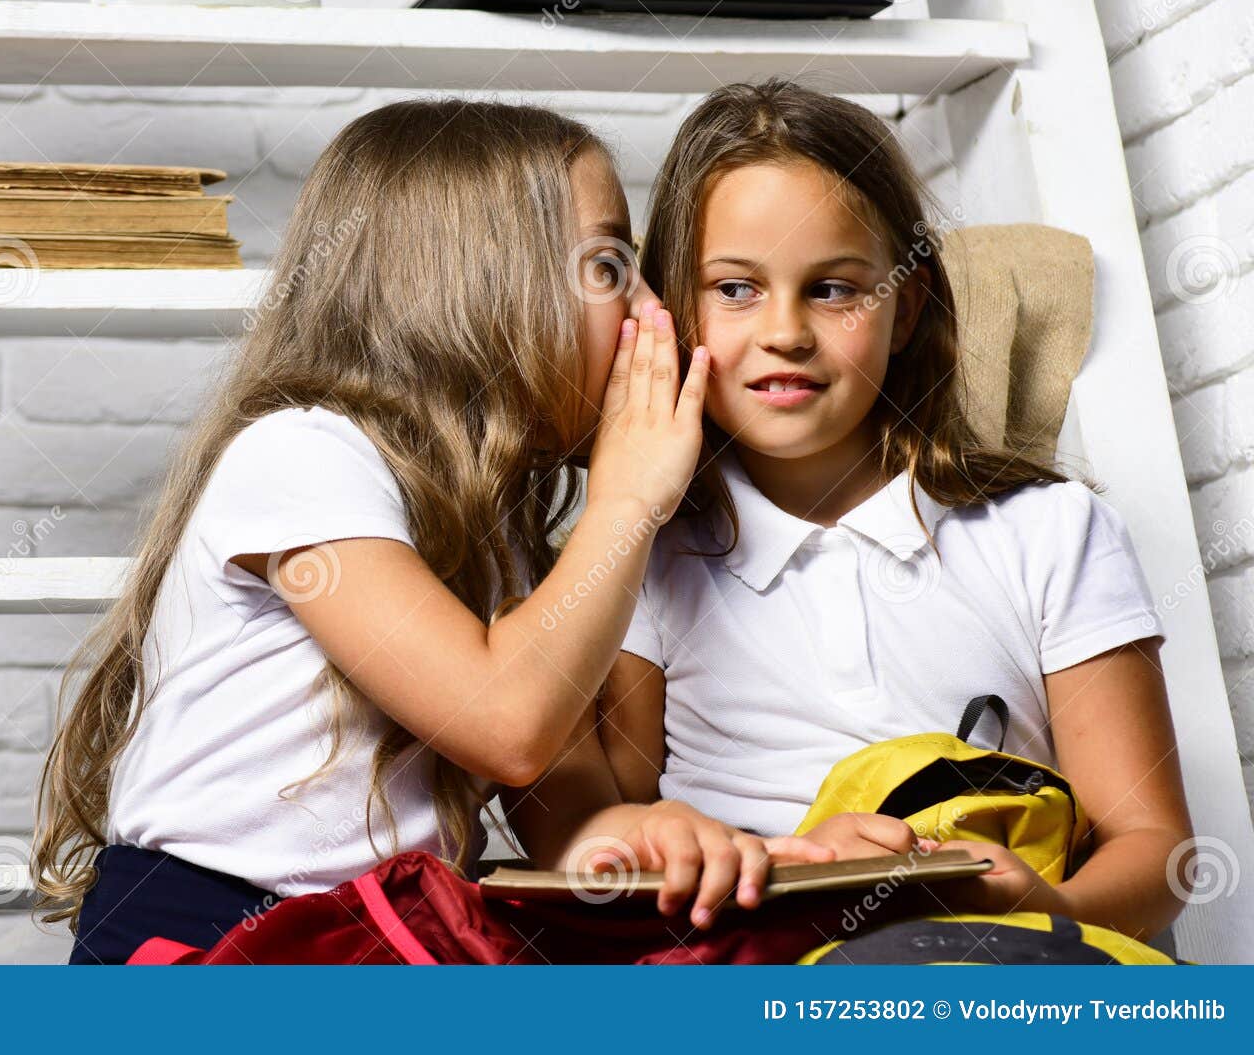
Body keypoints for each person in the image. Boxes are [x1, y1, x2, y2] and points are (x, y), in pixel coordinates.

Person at [31, 98, 826, 964]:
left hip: (383, 936)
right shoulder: (298, 455)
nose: (650, 307)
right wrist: (629, 504)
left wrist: (687, 839)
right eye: (609, 266)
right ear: (474, 289)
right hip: (210, 942)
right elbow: (507, 724)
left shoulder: (500, 533)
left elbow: (570, 819)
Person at [508, 80, 1194, 944]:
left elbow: (1156, 847)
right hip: (754, 963)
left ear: (905, 308)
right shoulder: (642, 560)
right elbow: (608, 829)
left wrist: (1046, 907)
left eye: (833, 289)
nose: (786, 330)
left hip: (1000, 962)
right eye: (735, 289)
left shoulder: (1051, 531)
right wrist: (772, 858)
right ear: (674, 313)